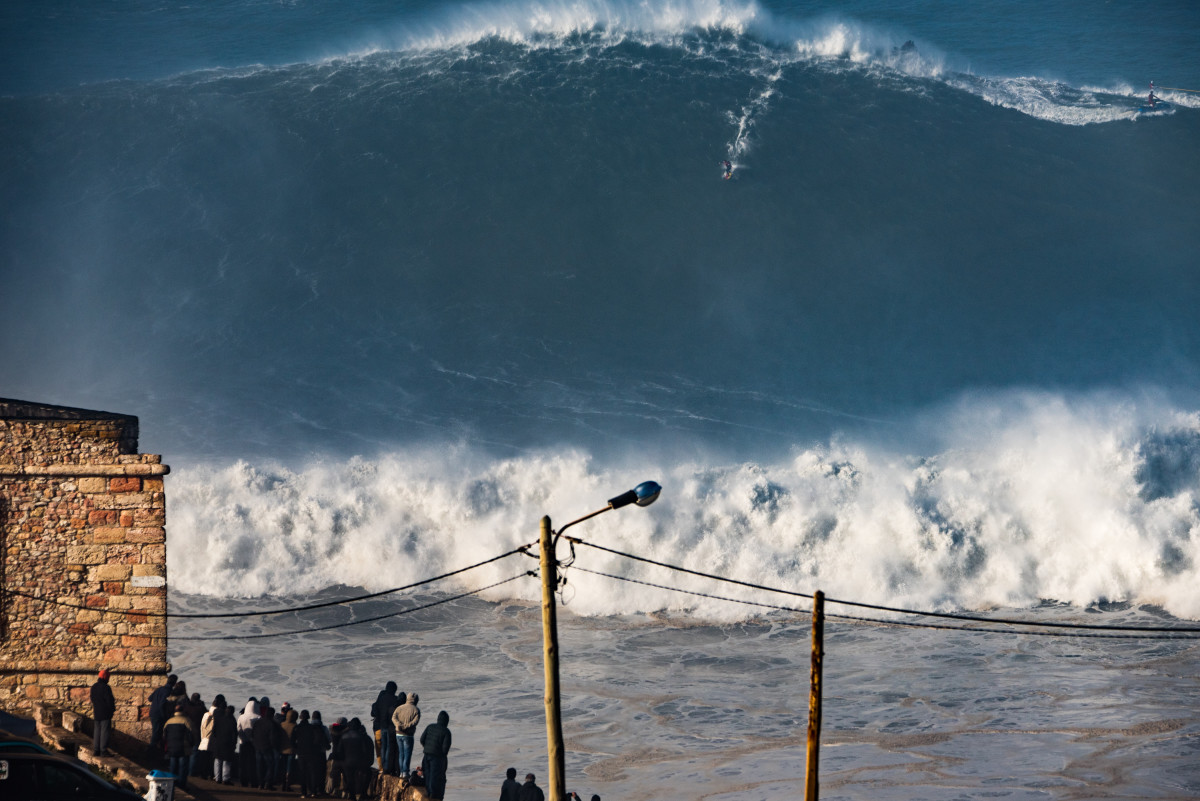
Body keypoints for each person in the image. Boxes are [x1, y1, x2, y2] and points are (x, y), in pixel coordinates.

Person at [418, 711, 452, 800]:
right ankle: (432, 794)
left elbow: (422, 739)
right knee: (434, 775)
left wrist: (427, 747)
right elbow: (445, 749)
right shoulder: (446, 732)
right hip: (436, 757)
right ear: (446, 721)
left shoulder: (430, 726)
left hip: (426, 754)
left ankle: (428, 792)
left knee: (427, 773)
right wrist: (441, 755)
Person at [163, 702, 196, 791]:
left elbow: (164, 735)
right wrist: (192, 744)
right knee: (183, 767)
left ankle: (173, 784)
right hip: (183, 748)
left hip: (171, 748)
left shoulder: (169, 721)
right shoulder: (186, 721)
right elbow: (193, 733)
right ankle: (182, 785)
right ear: (183, 710)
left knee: (173, 766)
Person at [371, 681, 400, 775]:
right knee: (389, 748)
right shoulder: (396, 700)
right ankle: (387, 767)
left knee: (383, 748)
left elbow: (374, 712)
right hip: (391, 727)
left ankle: (383, 767)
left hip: (381, 726)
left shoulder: (381, 699)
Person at [392, 691, 420, 779]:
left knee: (401, 754)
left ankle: (401, 772)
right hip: (408, 735)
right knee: (407, 754)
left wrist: (398, 725)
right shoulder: (416, 710)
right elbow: (415, 722)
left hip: (398, 733)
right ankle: (405, 772)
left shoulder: (399, 708)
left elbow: (393, 717)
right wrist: (406, 726)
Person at [148, 674, 177, 755]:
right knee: (156, 733)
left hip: (153, 713)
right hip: (159, 715)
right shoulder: (168, 691)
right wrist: (163, 715)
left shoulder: (160, 689)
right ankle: (150, 752)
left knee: (156, 732)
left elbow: (150, 699)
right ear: (174, 683)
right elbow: (162, 704)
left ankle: (154, 751)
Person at [89, 669, 116, 757]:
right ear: (105, 677)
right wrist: (112, 710)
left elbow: (92, 698)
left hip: (97, 711)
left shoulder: (94, 686)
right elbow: (110, 701)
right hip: (105, 712)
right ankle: (103, 750)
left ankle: (96, 750)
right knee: (105, 731)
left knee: (97, 730)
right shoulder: (106, 687)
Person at [210, 701, 237, 785]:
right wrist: (234, 743)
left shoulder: (219, 719)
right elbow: (234, 734)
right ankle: (225, 778)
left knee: (218, 760)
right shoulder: (232, 720)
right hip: (228, 743)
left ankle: (217, 777)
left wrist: (215, 739)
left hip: (218, 742)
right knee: (226, 761)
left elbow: (214, 731)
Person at [236, 699, 260, 787]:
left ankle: (243, 781)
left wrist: (243, 738)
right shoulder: (258, 717)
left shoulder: (241, 717)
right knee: (253, 763)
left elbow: (239, 729)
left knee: (243, 763)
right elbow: (258, 732)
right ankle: (253, 782)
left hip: (243, 743)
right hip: (254, 744)